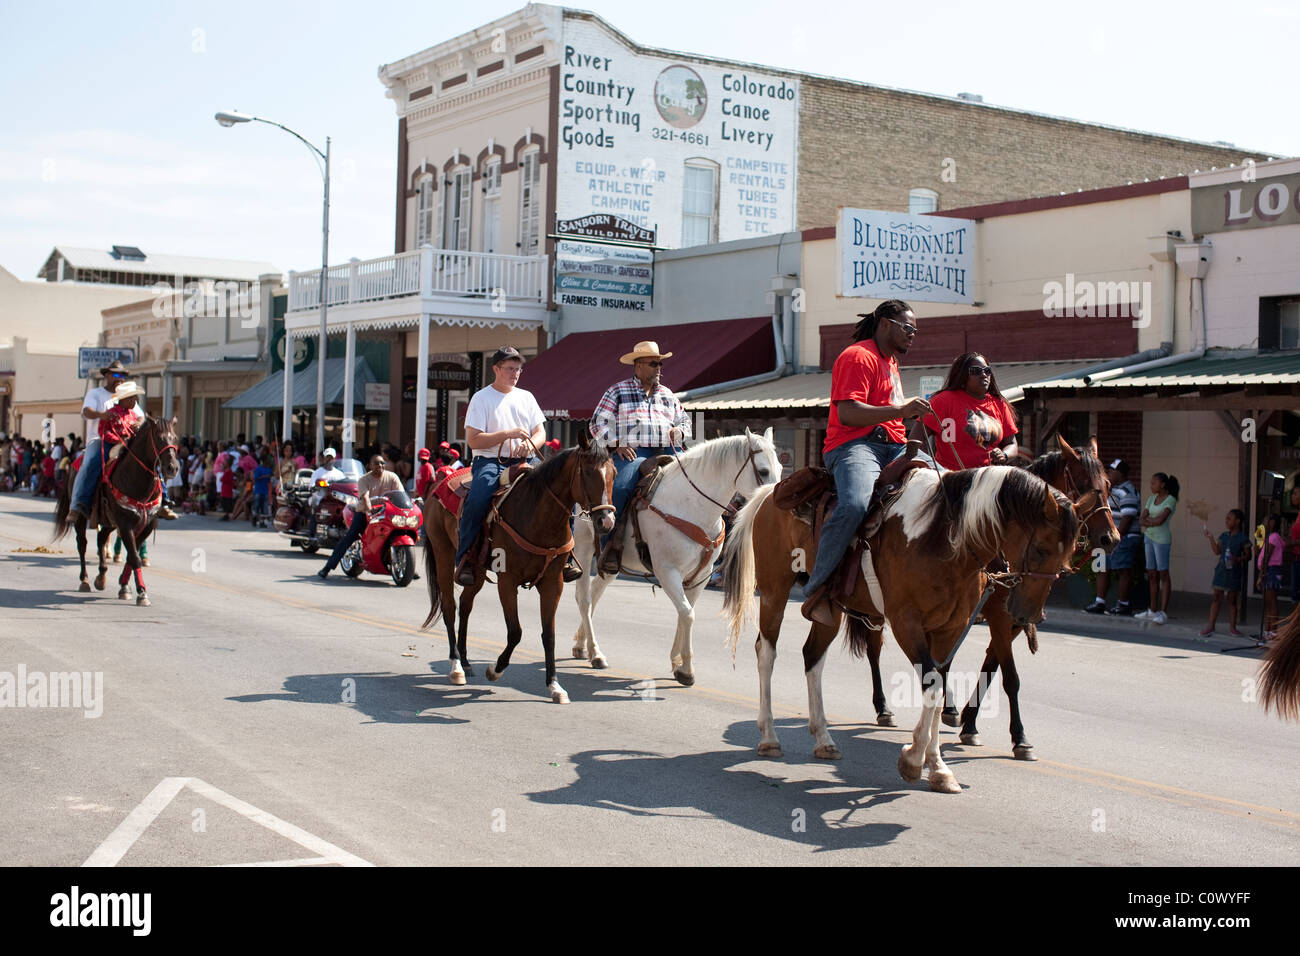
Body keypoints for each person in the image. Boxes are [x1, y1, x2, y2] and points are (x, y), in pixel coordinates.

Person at [801, 300, 935, 626]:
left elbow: (892, 415)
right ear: (885, 324)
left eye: (915, 330)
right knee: (854, 505)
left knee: (945, 485)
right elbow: (848, 413)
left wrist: (909, 424)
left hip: (893, 446)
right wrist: (901, 411)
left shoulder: (890, 363)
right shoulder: (858, 356)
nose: (912, 335)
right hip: (853, 446)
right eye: (908, 328)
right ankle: (819, 588)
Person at [589, 340, 692, 575]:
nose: (659, 368)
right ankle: (610, 549)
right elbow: (597, 423)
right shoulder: (617, 391)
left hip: (668, 450)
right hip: (633, 452)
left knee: (697, 481)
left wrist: (681, 432)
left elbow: (685, 421)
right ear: (638, 366)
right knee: (621, 489)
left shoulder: (668, 395)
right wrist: (617, 443)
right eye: (653, 363)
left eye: (660, 363)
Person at [454, 346, 554, 586]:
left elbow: (540, 432)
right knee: (477, 500)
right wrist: (508, 434)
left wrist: (530, 446)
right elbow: (474, 440)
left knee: (557, 490)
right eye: (510, 369)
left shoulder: (526, 397)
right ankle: (465, 557)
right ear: (496, 369)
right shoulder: (481, 398)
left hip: (525, 459)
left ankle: (563, 553)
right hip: (489, 461)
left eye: (518, 369)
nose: (515, 373)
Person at [921, 351, 1018, 470]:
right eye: (976, 371)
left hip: (989, 478)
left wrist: (1004, 455)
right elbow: (917, 439)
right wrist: (932, 470)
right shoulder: (943, 400)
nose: (983, 375)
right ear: (962, 375)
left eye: (987, 370)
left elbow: (1012, 444)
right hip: (951, 480)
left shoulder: (999, 404)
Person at [70, 377, 147, 519]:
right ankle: (81, 503)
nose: (135, 400)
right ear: (122, 399)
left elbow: (142, 417)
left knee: (150, 461)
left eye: (135, 398)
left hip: (128, 444)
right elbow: (104, 430)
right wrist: (118, 439)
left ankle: (161, 499)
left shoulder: (132, 413)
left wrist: (138, 423)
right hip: (107, 442)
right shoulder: (108, 408)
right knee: (92, 465)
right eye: (132, 398)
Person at [318, 454, 403, 578]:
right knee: (350, 537)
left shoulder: (392, 477)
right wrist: (369, 511)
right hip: (365, 513)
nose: (380, 465)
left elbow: (400, 494)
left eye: (382, 463)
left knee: (398, 532)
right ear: (370, 466)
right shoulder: (364, 479)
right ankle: (327, 567)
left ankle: (406, 566)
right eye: (376, 463)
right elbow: (365, 498)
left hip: (386, 512)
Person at [1084, 459, 1142, 616]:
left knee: (1122, 570)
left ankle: (1123, 604)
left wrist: (1115, 537)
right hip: (1104, 538)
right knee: (1101, 568)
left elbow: (1127, 518)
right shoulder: (1111, 490)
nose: (1108, 474)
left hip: (1122, 538)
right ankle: (1099, 602)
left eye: (1111, 471)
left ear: (1120, 474)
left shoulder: (1127, 492)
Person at [1138, 472, 1179, 623]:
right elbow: (1142, 519)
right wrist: (1151, 521)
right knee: (1152, 574)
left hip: (1162, 540)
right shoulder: (1151, 499)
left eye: (1154, 483)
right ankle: (1152, 609)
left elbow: (1160, 520)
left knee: (1163, 574)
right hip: (1148, 538)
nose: (1151, 486)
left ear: (1162, 484)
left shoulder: (1170, 500)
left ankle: (1163, 612)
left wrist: (1149, 521)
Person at [1201, 509, 1250, 637]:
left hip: (1234, 572)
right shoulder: (1223, 536)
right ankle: (1211, 626)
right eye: (1226, 518)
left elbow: (1248, 556)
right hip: (1221, 571)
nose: (1226, 521)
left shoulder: (1243, 538)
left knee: (1232, 600)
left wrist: (1237, 559)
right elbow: (1217, 551)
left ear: (1237, 521)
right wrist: (1211, 538)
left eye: (1229, 518)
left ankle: (1233, 627)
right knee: (1216, 597)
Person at [307, 447, 345, 540]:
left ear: (334, 459)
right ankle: (312, 532)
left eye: (331, 458)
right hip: (320, 498)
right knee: (314, 505)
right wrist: (316, 486)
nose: (329, 460)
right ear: (323, 458)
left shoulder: (339, 474)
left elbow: (344, 485)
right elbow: (311, 485)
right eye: (327, 457)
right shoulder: (318, 472)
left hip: (335, 499)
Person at [1257, 514, 1285, 642]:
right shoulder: (1269, 536)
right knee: (1268, 603)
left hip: (1271, 571)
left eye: (1266, 521)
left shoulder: (1274, 537)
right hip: (1268, 571)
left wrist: (1260, 575)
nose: (1263, 524)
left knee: (1271, 601)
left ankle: (1273, 632)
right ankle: (1268, 630)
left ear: (1273, 523)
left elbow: (1267, 557)